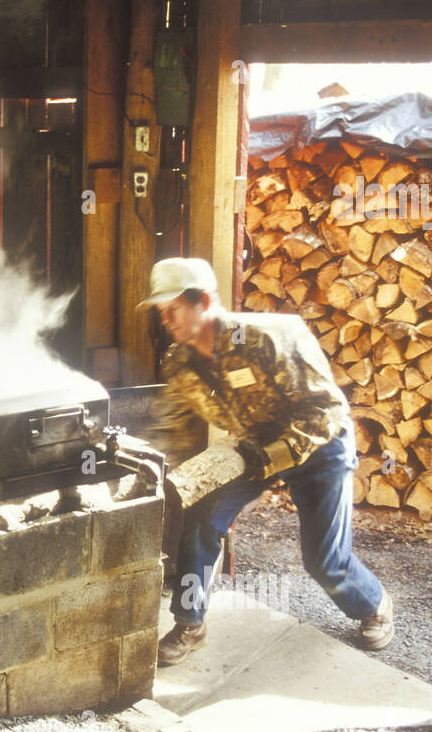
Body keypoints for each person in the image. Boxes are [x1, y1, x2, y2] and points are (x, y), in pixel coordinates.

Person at [137, 256, 393, 666]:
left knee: (323, 559)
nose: (164, 318)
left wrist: (273, 456)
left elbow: (325, 410)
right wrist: (149, 472)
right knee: (202, 523)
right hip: (254, 449)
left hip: (320, 446)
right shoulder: (181, 362)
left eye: (172, 308)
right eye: (160, 310)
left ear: (203, 300)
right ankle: (190, 622)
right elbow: (176, 427)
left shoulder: (268, 337)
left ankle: (373, 604)